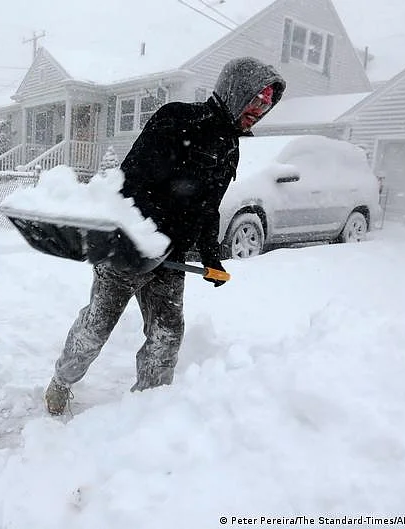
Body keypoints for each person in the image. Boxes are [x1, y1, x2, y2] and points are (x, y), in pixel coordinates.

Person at [44, 57, 286, 415]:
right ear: (236, 91)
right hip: (127, 250)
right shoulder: (178, 118)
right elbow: (129, 180)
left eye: (267, 103)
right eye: (257, 98)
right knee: (96, 328)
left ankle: (147, 412)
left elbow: (209, 208)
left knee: (167, 338)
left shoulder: (230, 146)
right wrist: (130, 236)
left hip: (170, 261)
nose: (260, 108)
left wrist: (210, 257)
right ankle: (61, 383)